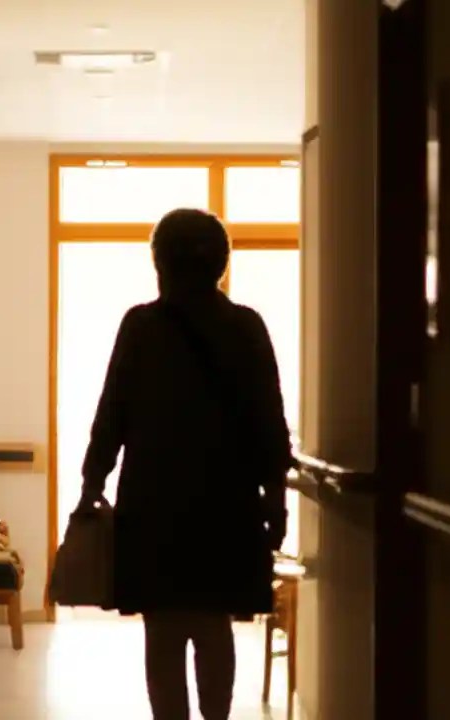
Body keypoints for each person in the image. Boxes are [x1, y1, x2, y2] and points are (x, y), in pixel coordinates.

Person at [76, 208, 291, 720]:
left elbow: (112, 413)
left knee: (164, 632)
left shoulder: (141, 325)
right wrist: (277, 501)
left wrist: (92, 482)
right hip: (227, 504)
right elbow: (269, 421)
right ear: (221, 263)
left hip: (153, 502)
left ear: (160, 263)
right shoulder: (245, 326)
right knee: (215, 627)